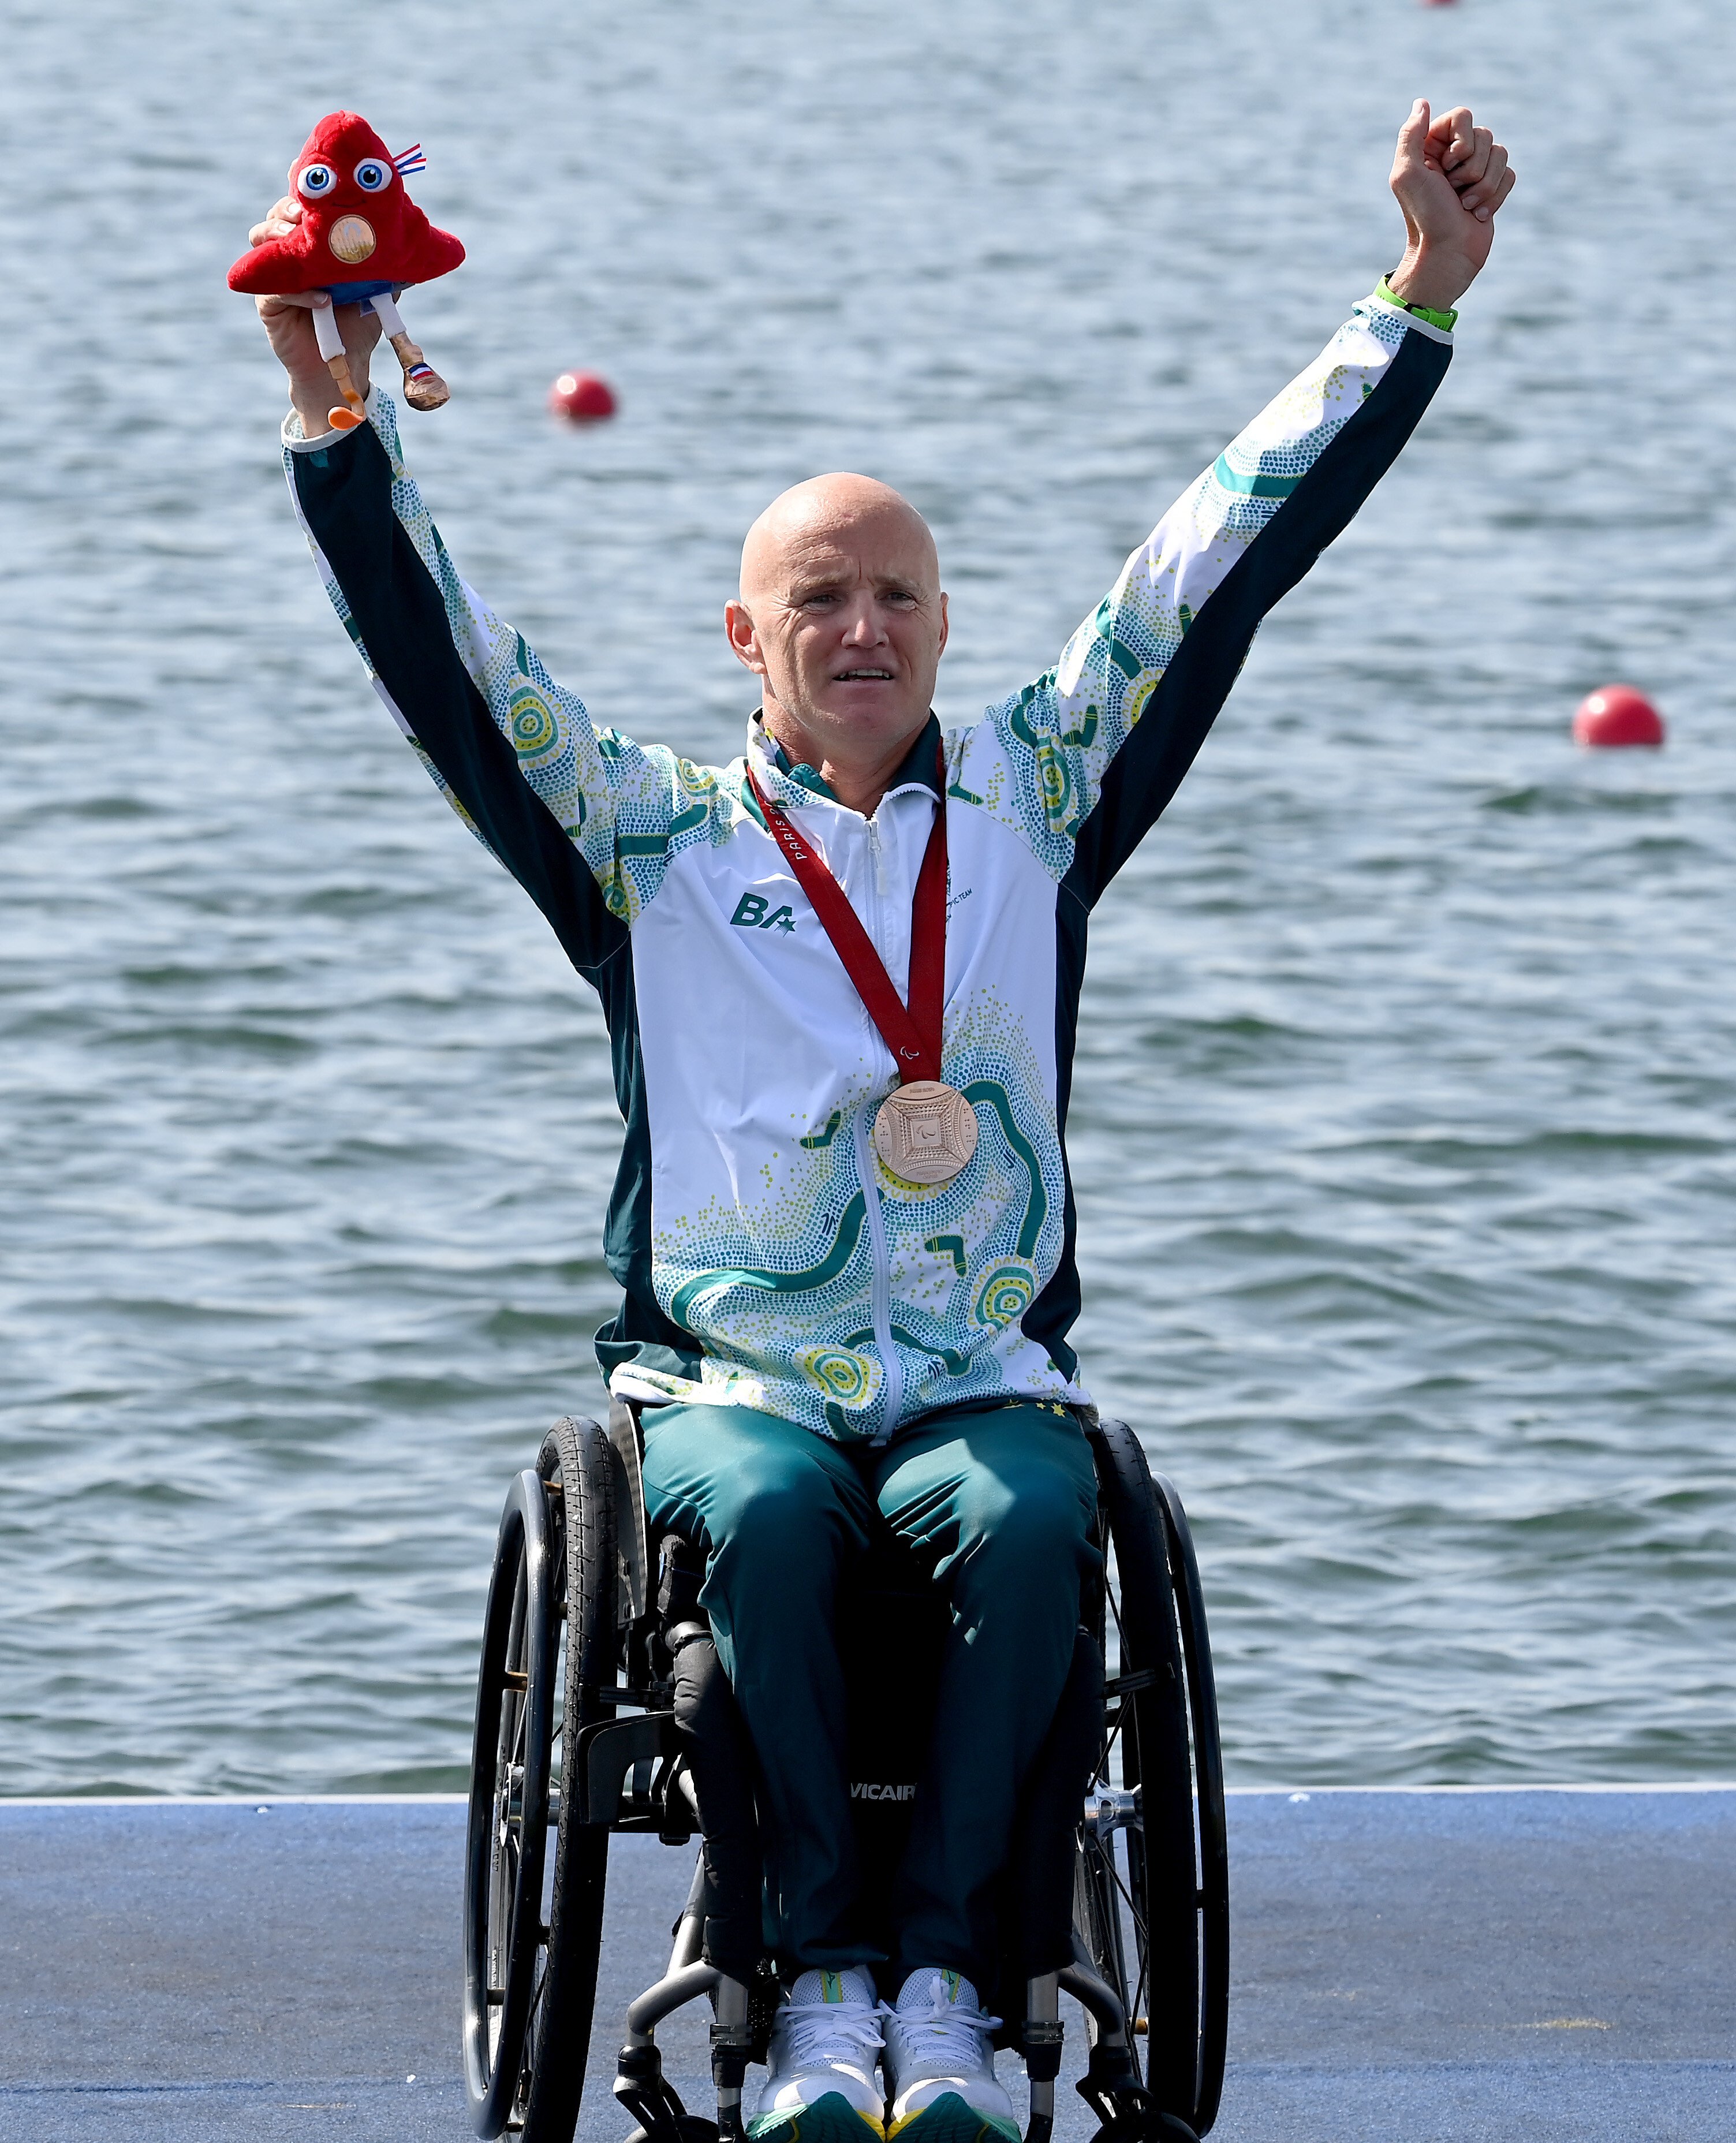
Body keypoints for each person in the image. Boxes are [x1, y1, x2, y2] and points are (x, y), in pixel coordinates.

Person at [248, 96, 1512, 2143]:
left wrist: (1414, 309)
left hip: (980, 1376)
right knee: (756, 1518)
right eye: (819, 603)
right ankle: (811, 1986)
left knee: (1032, 1525)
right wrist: (340, 434)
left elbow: (1223, 557)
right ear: (747, 640)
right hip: (732, 1378)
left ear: (945, 624)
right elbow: (447, 663)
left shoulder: (1042, 790)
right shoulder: (645, 836)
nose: (863, 633)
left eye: (900, 599)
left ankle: (951, 1987)